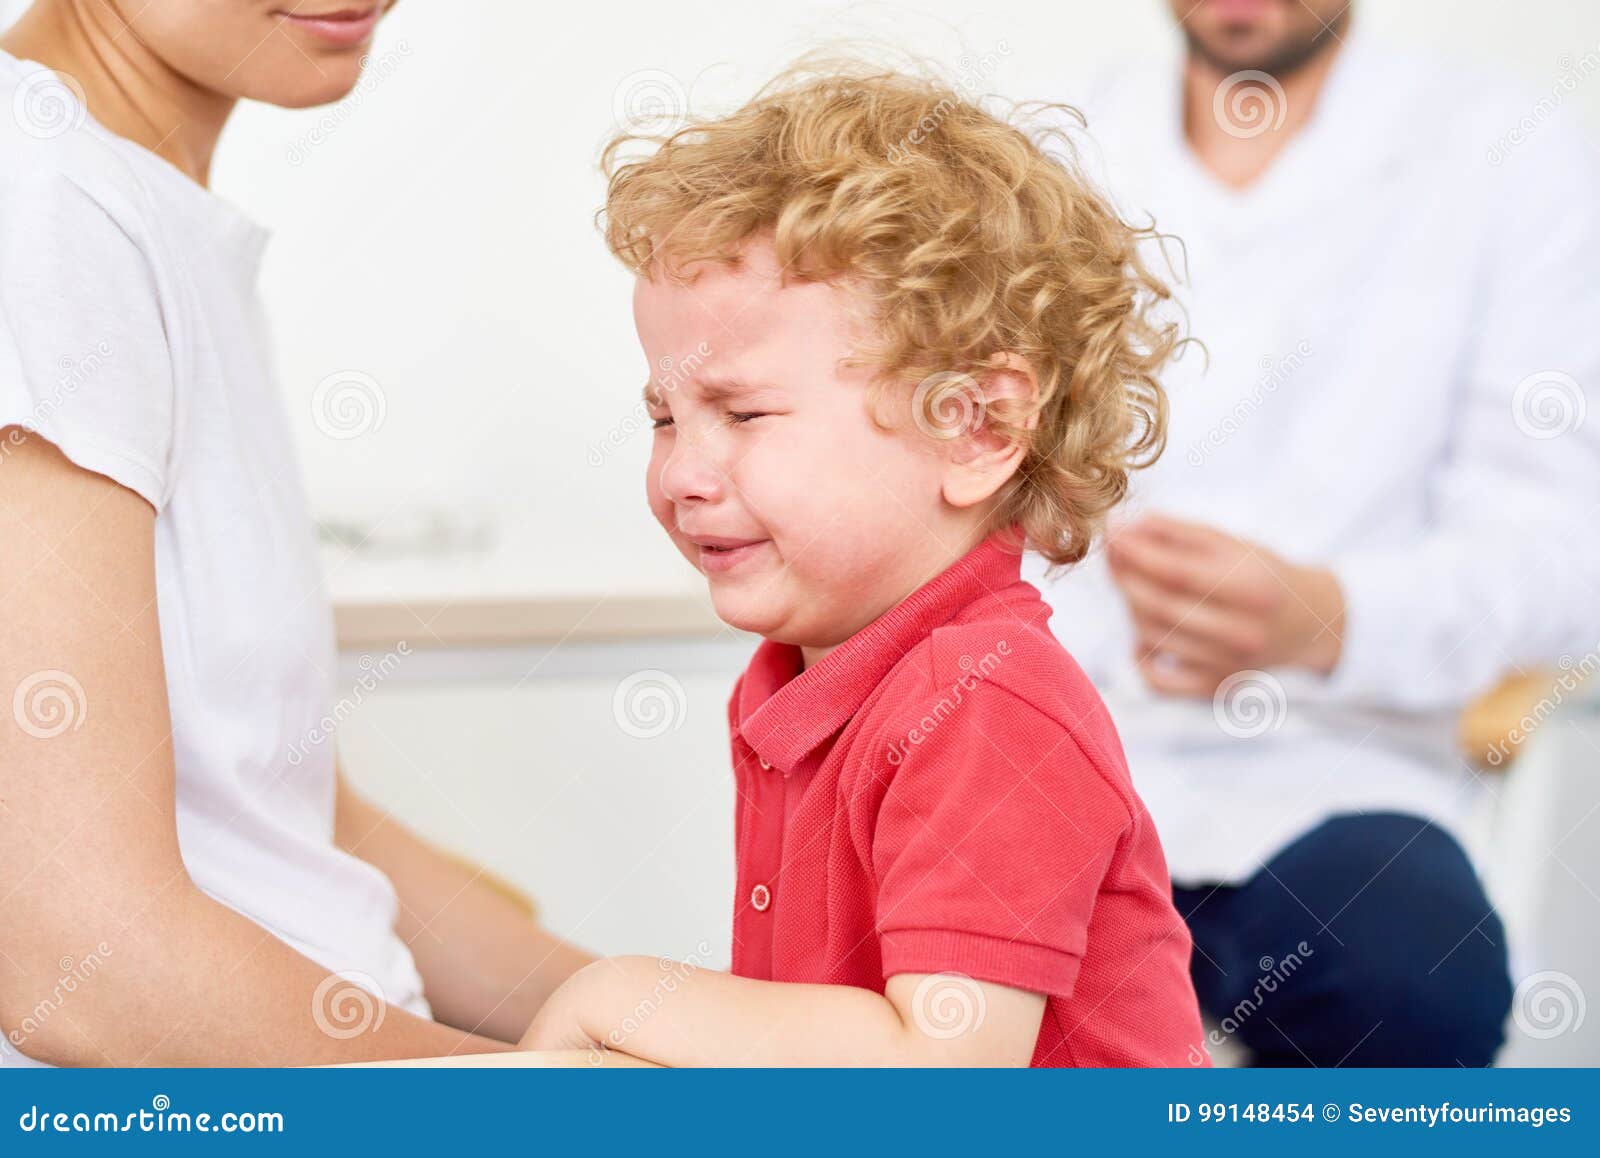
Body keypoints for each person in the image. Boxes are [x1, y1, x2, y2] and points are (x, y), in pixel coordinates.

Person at [519, 63, 1206, 1066]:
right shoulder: (809, 679)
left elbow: (940, 1067)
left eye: (744, 414)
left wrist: (619, 998)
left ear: (975, 428)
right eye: (665, 418)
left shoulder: (985, 702)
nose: (682, 473)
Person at [0, 0, 589, 1066]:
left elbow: (295, 811)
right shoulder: (42, 202)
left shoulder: (131, 196)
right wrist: (563, 1097)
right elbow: (77, 969)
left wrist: (671, 1027)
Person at [1027, 0, 1600, 1065]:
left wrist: (1331, 620)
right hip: (1052, 761)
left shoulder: (1502, 154)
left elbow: (1563, 559)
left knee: (1412, 980)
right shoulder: (1050, 152)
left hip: (1336, 775)